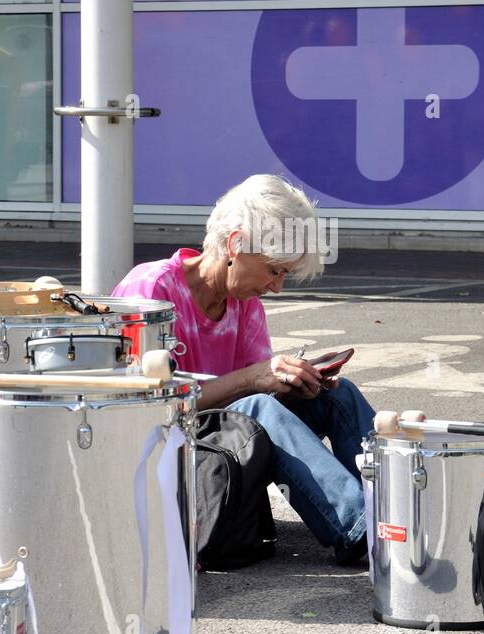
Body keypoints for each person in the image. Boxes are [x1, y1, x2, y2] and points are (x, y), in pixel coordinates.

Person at [113, 174, 373, 565]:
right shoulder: (151, 290)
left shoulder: (243, 302)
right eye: (275, 270)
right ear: (235, 244)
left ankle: (396, 511)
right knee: (261, 411)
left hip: (225, 440)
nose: (277, 287)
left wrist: (290, 383)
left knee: (337, 395)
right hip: (163, 445)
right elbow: (146, 408)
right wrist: (255, 379)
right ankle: (361, 529)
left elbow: (252, 394)